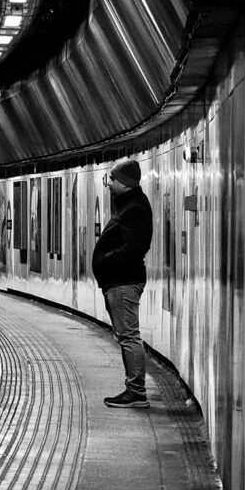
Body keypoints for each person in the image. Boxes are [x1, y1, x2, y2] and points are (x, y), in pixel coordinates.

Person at [91, 158, 153, 408]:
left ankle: (136, 391)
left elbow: (135, 248)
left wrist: (107, 260)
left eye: (113, 179)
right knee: (126, 335)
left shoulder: (134, 208)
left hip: (124, 280)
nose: (109, 183)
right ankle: (134, 388)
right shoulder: (129, 205)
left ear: (125, 183)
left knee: (129, 336)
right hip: (119, 280)